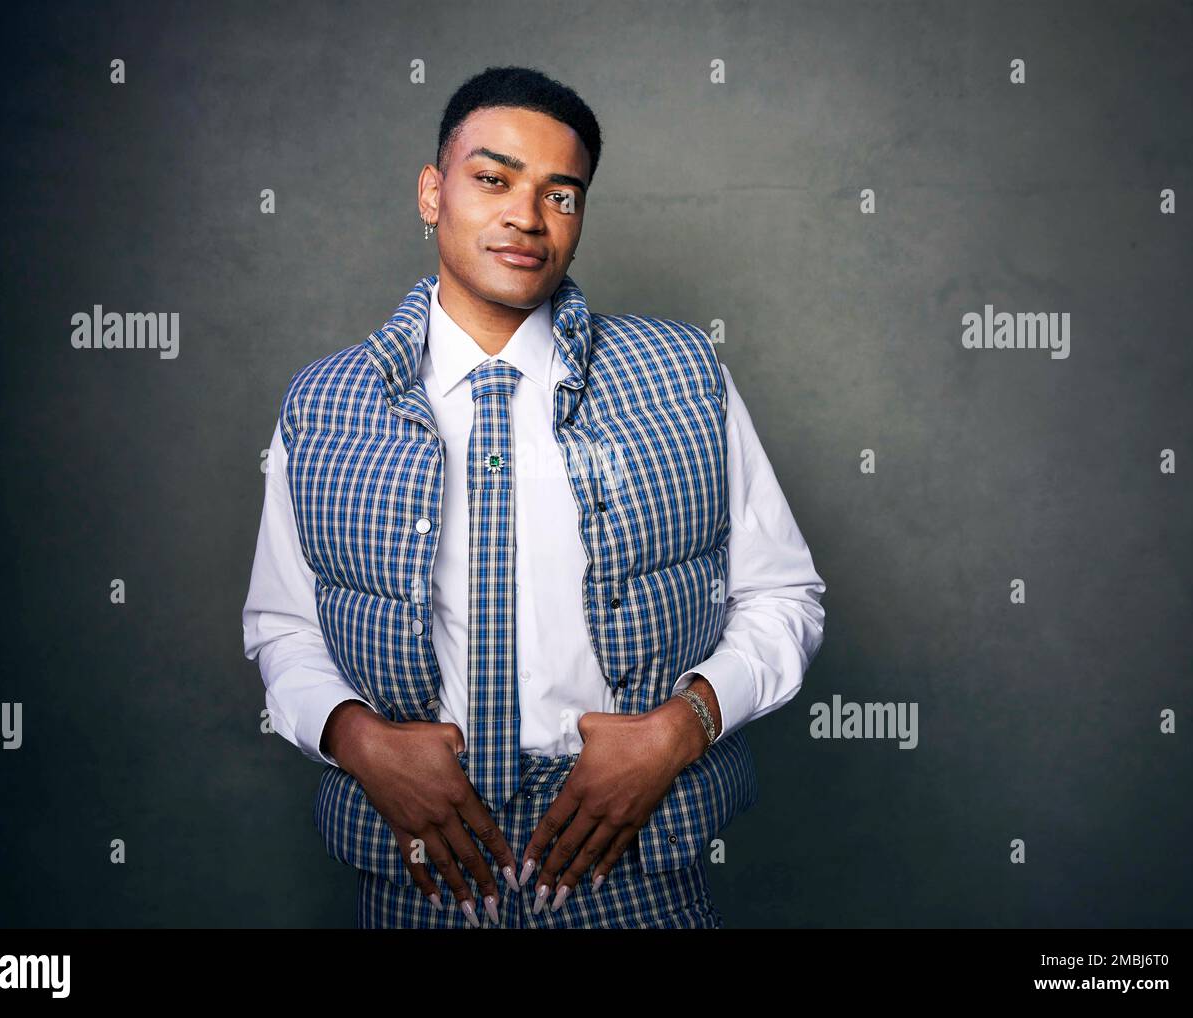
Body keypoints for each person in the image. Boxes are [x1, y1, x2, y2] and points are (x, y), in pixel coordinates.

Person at [241, 65, 826, 928]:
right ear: (433, 193)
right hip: (421, 862)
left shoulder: (681, 374)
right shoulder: (326, 401)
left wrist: (683, 726)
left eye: (562, 194)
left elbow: (783, 594)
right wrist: (356, 739)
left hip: (635, 852)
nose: (526, 215)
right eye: (492, 180)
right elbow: (283, 624)